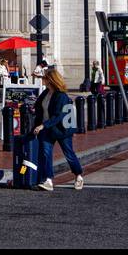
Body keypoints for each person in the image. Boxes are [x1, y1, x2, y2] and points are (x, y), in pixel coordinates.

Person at [32, 64, 84, 192]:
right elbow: (39, 107)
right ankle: (48, 180)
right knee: (45, 153)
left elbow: (58, 115)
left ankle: (78, 176)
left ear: (51, 80)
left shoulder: (61, 96)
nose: (43, 80)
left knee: (69, 154)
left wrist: (43, 125)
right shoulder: (45, 93)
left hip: (61, 129)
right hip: (46, 129)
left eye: (45, 79)